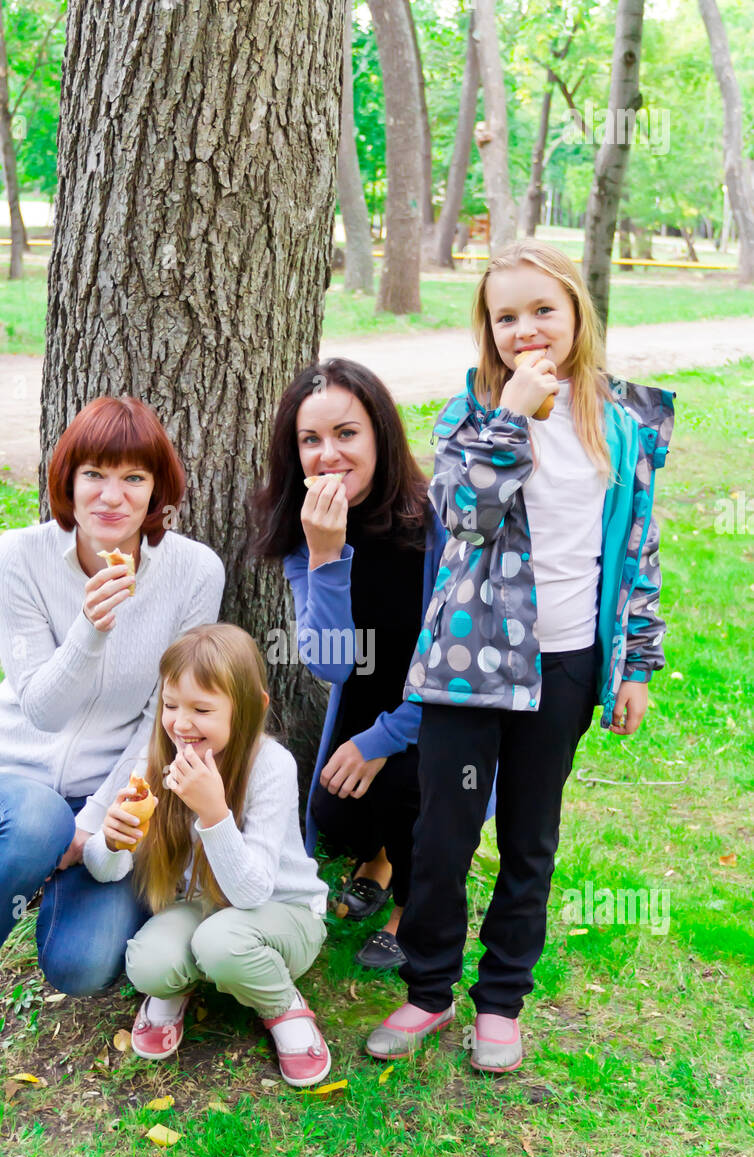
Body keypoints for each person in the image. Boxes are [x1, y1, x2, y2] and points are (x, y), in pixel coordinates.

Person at [365, 238, 674, 1071]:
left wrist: (635, 664)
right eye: (507, 316)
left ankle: (501, 1000)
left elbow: (637, 553)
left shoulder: (625, 425)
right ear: (487, 329)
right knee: (445, 836)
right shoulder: (468, 417)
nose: (527, 329)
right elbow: (466, 515)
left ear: (577, 313)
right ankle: (428, 991)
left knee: (530, 838)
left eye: (544, 310)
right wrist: (514, 418)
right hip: (472, 667)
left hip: (568, 665)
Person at [0, 396, 224, 1129]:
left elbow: (162, 720)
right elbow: (40, 707)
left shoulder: (193, 572)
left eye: (135, 478)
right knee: (37, 822)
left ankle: (42, 873)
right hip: (6, 788)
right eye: (95, 475)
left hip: (106, 802)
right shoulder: (17, 557)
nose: (112, 495)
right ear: (66, 483)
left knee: (81, 966)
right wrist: (90, 627)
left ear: (159, 492)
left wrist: (94, 827)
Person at [252, 358, 450, 971]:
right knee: (333, 813)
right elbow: (331, 666)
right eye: (310, 439)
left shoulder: (433, 520)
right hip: (361, 699)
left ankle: (411, 908)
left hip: (437, 707)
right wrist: (327, 554)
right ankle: (379, 858)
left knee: (397, 786)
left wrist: (388, 738)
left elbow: (454, 660)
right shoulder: (306, 532)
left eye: (346, 434)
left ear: (379, 436)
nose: (328, 454)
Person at [83, 624, 331, 1088]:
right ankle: (182, 982)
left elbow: (252, 891)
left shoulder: (270, 765)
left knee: (221, 943)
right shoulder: (156, 761)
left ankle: (283, 1006)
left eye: (201, 709)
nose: (180, 723)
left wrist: (214, 813)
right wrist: (113, 843)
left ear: (252, 707)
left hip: (282, 916)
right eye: (170, 705)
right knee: (149, 964)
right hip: (202, 910)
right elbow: (102, 869)